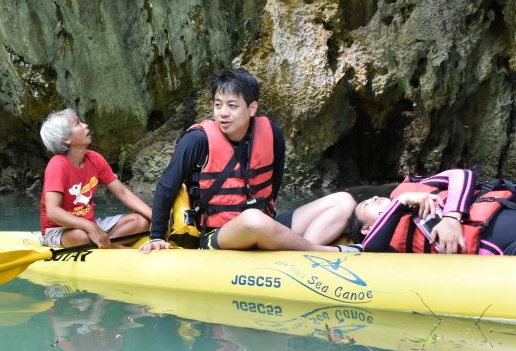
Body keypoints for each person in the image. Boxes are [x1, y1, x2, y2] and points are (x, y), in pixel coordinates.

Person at [140, 69, 356, 254]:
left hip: (263, 223)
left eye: (232, 106)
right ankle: (323, 252)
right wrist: (156, 236)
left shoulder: (272, 134)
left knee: (344, 201)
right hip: (217, 235)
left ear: (252, 108)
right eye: (218, 105)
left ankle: (300, 250)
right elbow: (166, 187)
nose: (223, 113)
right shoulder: (197, 140)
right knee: (252, 219)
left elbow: (273, 185)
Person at [39, 108, 152, 248]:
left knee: (142, 221)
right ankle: (113, 247)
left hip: (91, 224)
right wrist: (89, 226)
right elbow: (53, 212)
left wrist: (156, 217)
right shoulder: (57, 165)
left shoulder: (95, 159)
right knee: (81, 236)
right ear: (66, 139)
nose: (85, 125)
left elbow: (123, 193)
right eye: (77, 123)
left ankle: (106, 245)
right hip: (59, 230)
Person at [352, 169, 516, 254]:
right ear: (367, 229)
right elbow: (371, 249)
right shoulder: (386, 246)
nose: (374, 197)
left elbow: (462, 174)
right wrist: (402, 201)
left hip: (505, 213)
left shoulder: (412, 187)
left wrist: (451, 217)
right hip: (502, 248)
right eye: (365, 205)